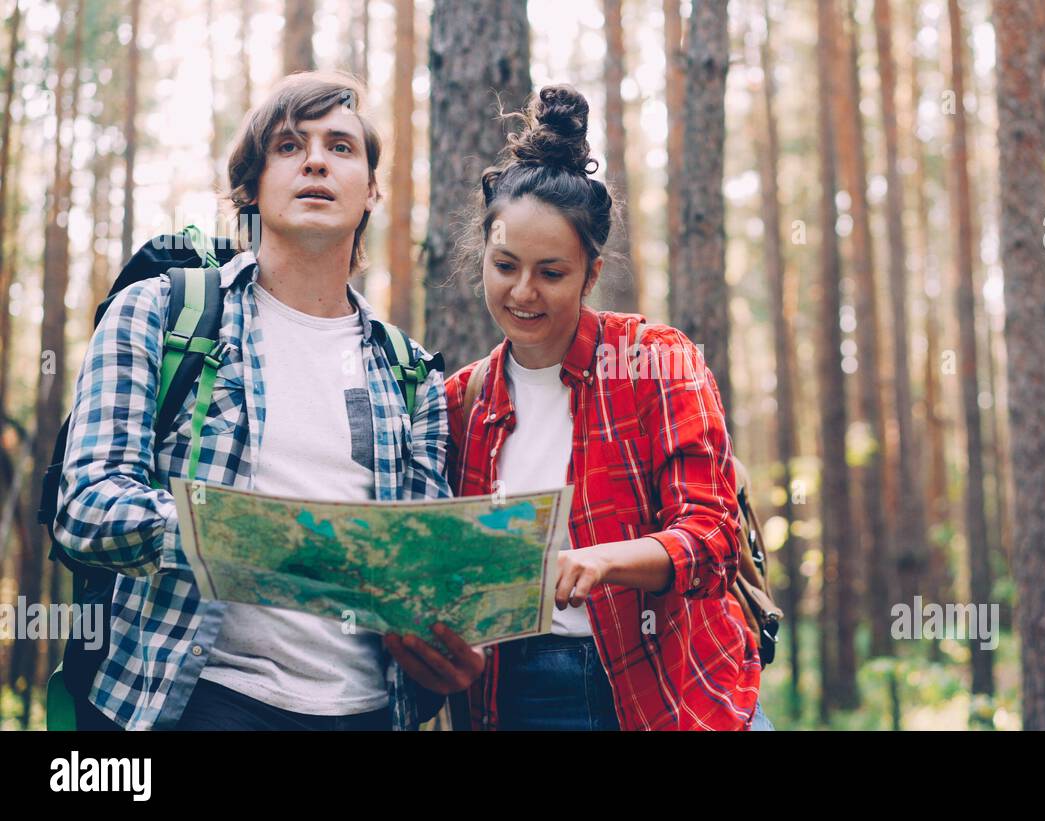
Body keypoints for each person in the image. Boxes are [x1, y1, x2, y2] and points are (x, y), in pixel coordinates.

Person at [53, 71, 482, 731]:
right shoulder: (161, 312)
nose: (314, 158)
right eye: (288, 146)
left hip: (368, 711)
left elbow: (413, 574)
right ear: (251, 187)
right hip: (194, 701)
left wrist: (445, 645)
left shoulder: (411, 373)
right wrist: (260, 542)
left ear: (371, 189)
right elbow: (85, 507)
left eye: (340, 146)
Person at [436, 84, 767, 730]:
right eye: (505, 266)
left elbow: (713, 536)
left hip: (669, 688)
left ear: (590, 273)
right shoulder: (460, 403)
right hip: (514, 699)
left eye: (551, 273)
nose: (523, 292)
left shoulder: (656, 360)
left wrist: (608, 558)